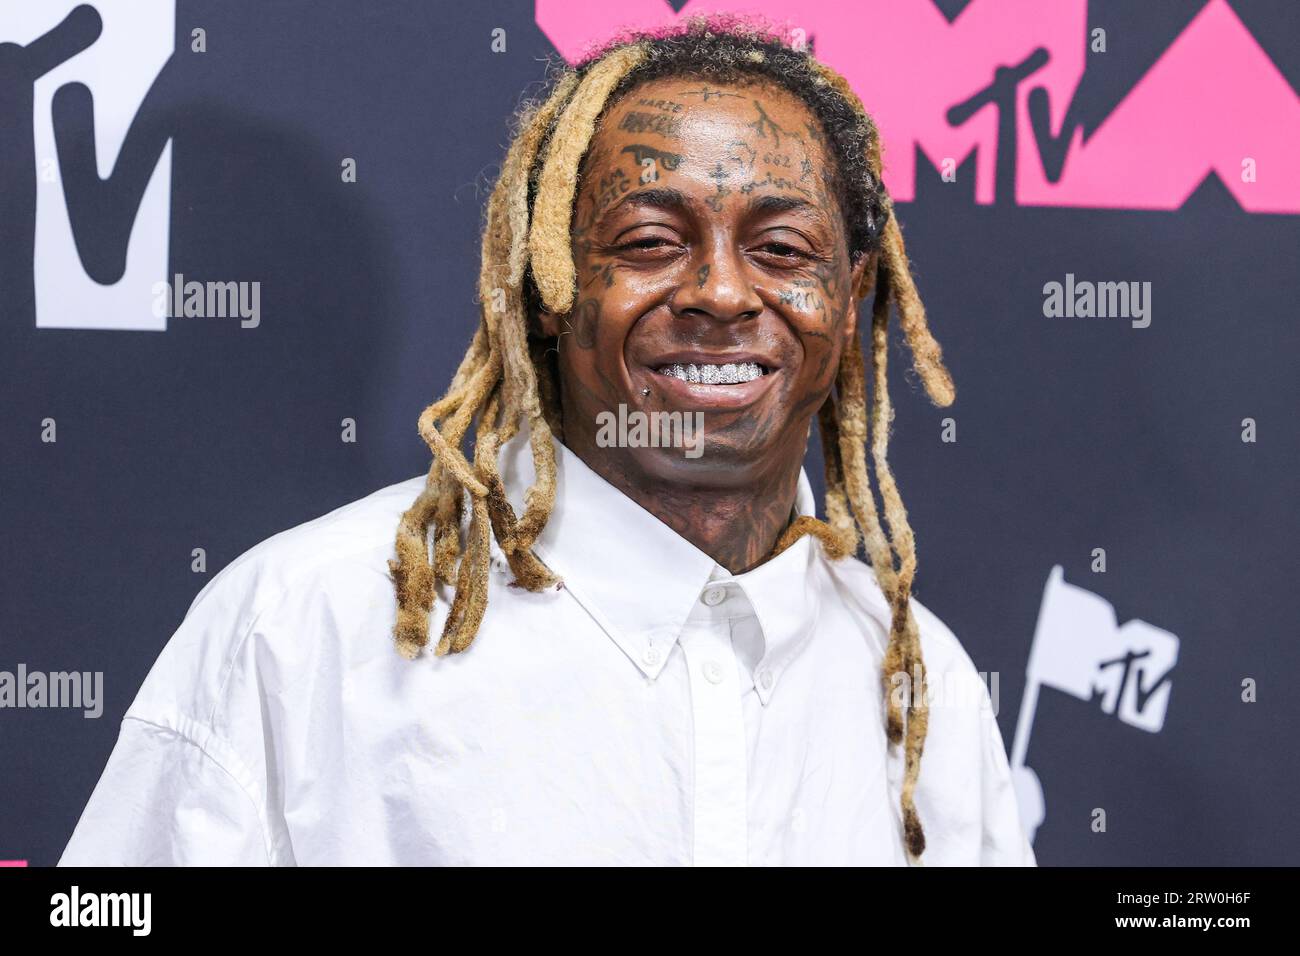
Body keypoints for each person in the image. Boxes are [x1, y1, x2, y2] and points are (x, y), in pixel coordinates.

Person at [60, 16, 1035, 866]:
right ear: (546, 284)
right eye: (651, 241)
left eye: (781, 250)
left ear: (851, 294)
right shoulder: (302, 627)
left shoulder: (918, 682)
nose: (724, 294)